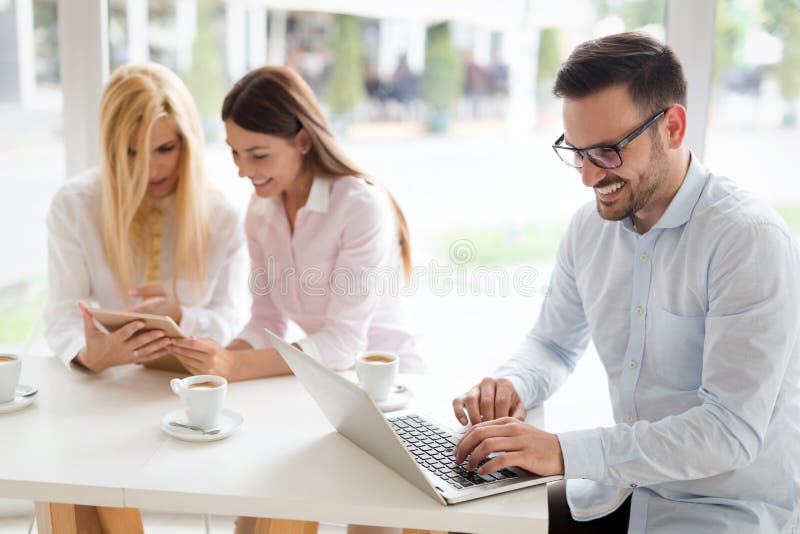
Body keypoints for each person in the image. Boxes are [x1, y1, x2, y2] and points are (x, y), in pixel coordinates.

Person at [451, 32, 800, 533]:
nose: (588, 177)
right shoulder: (588, 229)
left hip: (727, 513)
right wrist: (513, 383)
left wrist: (562, 452)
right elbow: (552, 344)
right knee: (465, 518)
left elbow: (729, 431)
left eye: (608, 151)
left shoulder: (747, 240)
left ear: (673, 128)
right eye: (576, 152)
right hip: (619, 493)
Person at [161, 66, 424, 534]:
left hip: (391, 393)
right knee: (259, 512)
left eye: (258, 154)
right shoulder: (260, 212)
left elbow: (344, 343)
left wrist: (236, 366)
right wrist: (209, 363)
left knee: (368, 521)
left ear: (303, 140)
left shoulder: (359, 206)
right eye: (235, 154)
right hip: (327, 386)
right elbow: (266, 322)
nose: (243, 171)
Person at [45, 63, 246, 375]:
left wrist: (183, 316)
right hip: (110, 386)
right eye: (131, 152)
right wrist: (88, 355)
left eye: (165, 149)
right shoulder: (75, 206)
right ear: (110, 150)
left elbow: (232, 319)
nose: (151, 170)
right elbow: (63, 313)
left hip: (192, 385)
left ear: (188, 144)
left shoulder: (222, 215)